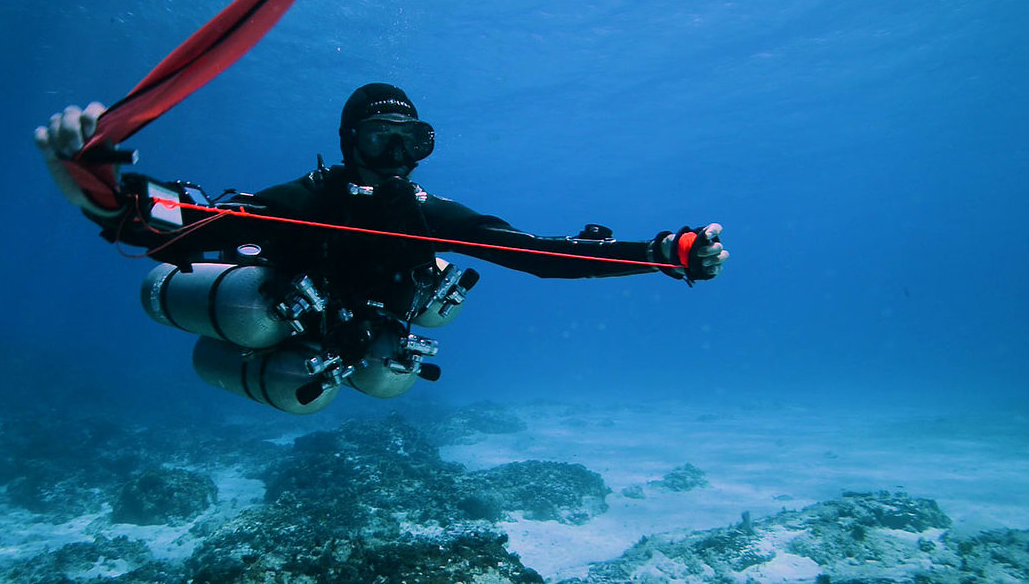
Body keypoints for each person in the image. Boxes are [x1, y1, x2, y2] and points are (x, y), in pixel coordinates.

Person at [35, 83, 728, 413]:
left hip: (371, 341)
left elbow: (538, 253)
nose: (397, 157)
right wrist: (108, 194)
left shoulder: (427, 213)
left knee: (408, 342)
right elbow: (198, 221)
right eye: (379, 140)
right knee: (264, 319)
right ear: (348, 143)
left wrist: (664, 249)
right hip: (290, 323)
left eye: (412, 141)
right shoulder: (306, 201)